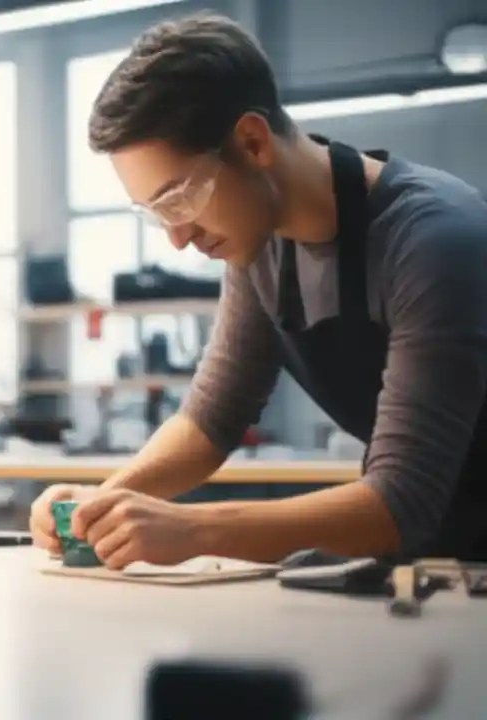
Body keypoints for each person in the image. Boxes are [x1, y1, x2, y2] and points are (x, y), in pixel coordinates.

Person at [29, 12, 487, 568]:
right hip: (437, 560)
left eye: (180, 199)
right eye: (157, 214)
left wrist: (194, 530)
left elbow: (400, 501)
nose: (176, 238)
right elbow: (210, 421)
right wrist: (103, 504)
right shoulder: (259, 246)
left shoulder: (434, 241)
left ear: (252, 142)